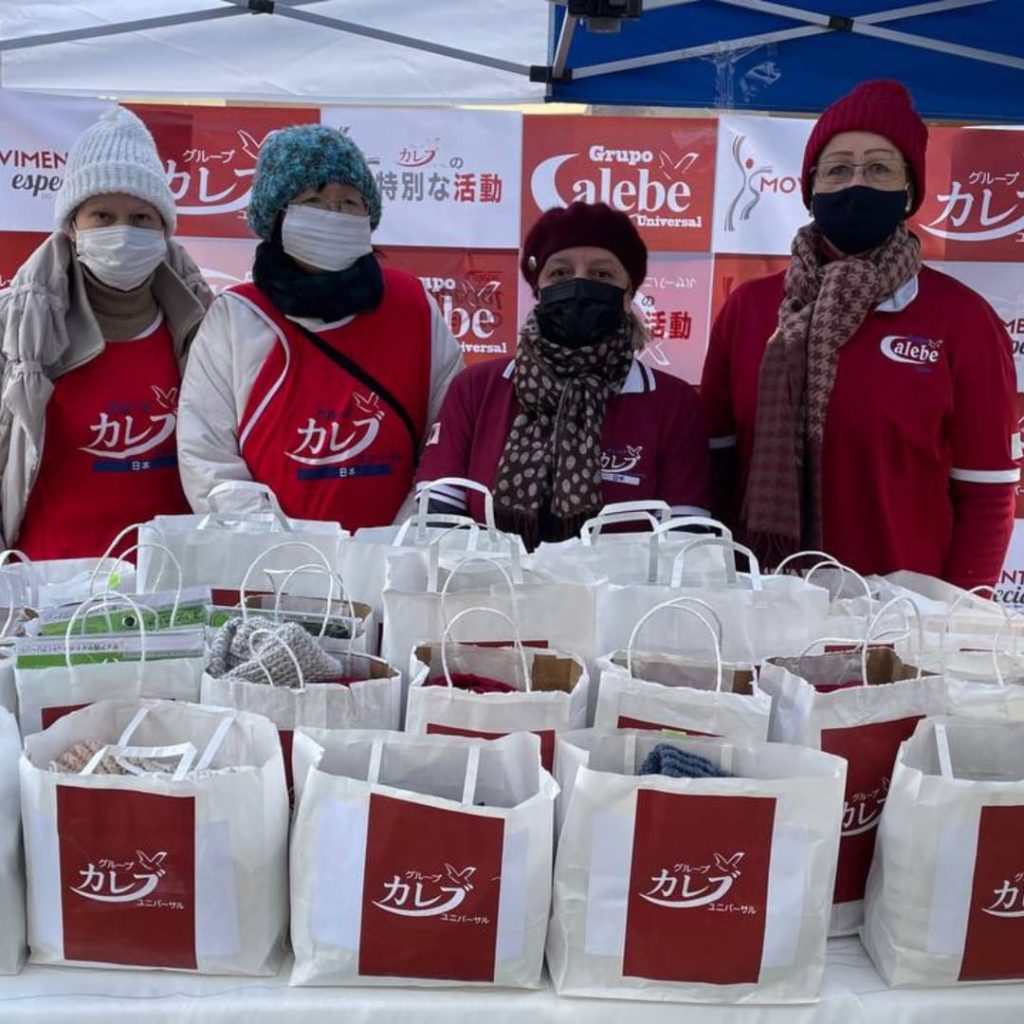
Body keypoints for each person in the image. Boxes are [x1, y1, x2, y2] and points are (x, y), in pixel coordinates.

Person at [701, 79, 1019, 589]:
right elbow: (714, 467)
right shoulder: (750, 309)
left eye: (878, 168)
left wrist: (952, 620)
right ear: (811, 189)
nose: (857, 183)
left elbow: (988, 493)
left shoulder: (961, 319)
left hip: (900, 616)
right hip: (764, 603)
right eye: (838, 169)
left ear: (909, 190)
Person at [177, 125, 462, 532]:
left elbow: (447, 436)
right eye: (313, 200)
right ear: (276, 216)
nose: (334, 214)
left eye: (349, 202)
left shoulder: (413, 304)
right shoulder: (238, 315)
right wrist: (278, 544)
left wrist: (398, 543)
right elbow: (206, 457)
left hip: (392, 568)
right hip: (270, 572)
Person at [417, 201, 711, 549]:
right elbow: (437, 522)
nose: (579, 285)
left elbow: (686, 545)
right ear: (538, 288)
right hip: (489, 598)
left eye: (602, 275)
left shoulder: (672, 403)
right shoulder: (477, 389)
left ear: (628, 292)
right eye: (560, 273)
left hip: (623, 602)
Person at [0, 106, 212, 559]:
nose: (123, 232)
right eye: (102, 215)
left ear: (164, 229)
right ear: (73, 227)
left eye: (141, 219)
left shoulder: (202, 324)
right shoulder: (16, 329)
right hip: (48, 586)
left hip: (174, 586)